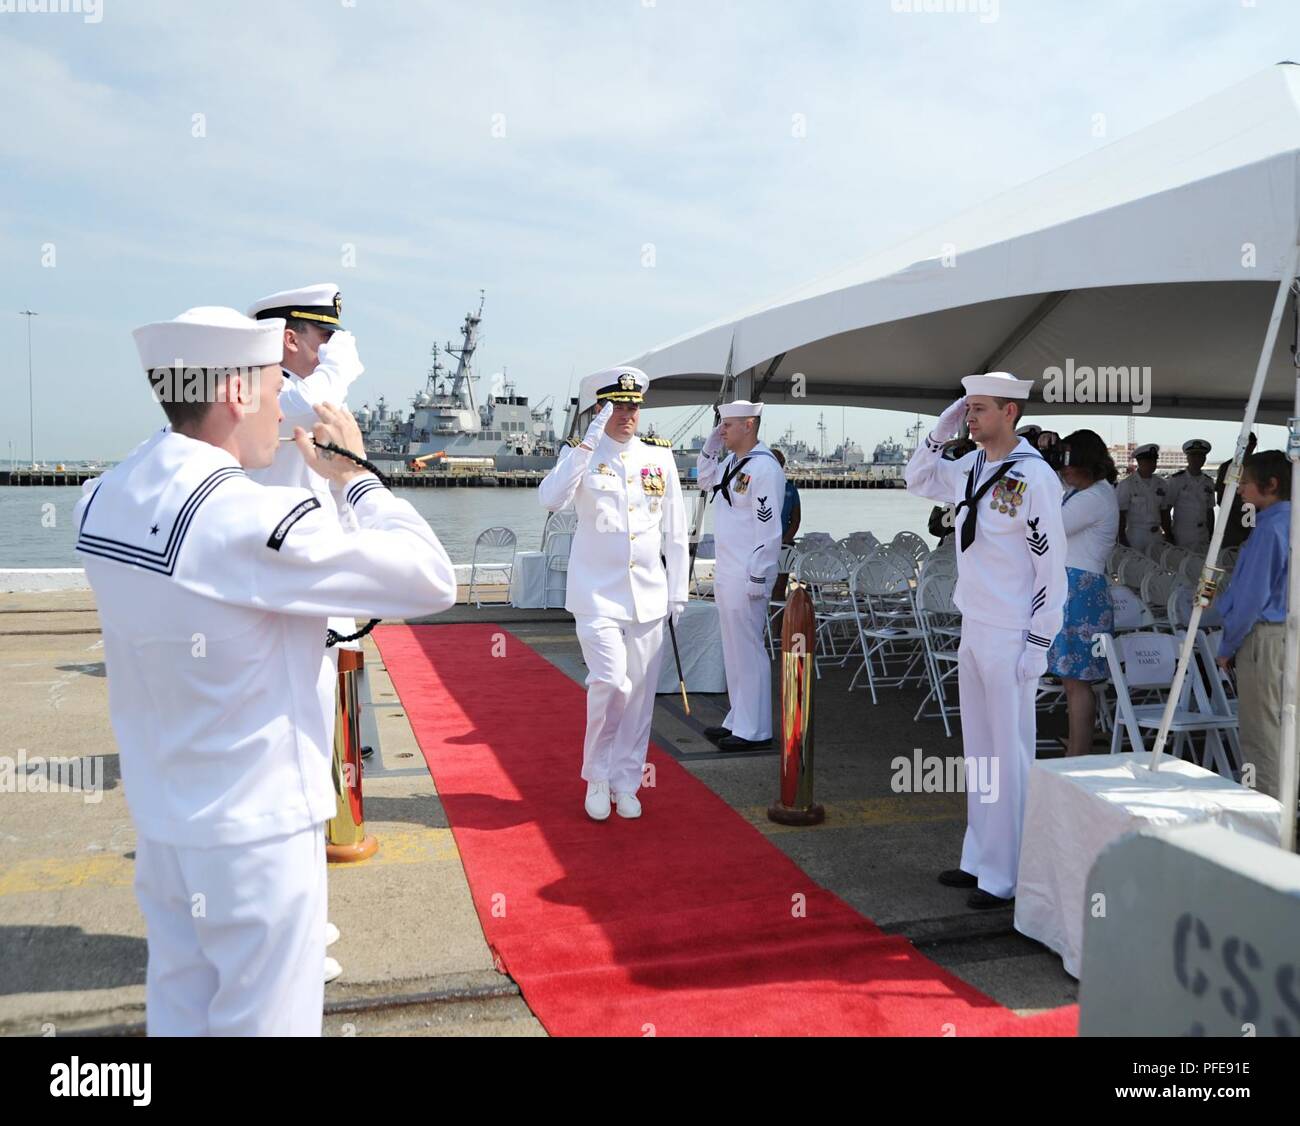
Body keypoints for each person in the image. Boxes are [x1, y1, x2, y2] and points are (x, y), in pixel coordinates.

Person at [75, 307, 458, 1035]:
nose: (283, 416)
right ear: (235, 394)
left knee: (181, 1014)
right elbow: (429, 578)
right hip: (256, 837)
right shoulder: (249, 519)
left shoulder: (101, 498)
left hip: (164, 826)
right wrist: (357, 480)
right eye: (272, 386)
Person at [904, 372, 1067, 909]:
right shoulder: (973, 466)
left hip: (1012, 631)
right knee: (979, 752)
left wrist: (1040, 642)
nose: (971, 417)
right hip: (973, 623)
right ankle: (980, 858)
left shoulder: (1034, 477)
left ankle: (1010, 873)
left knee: (1009, 752)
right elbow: (917, 479)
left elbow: (1051, 569)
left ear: (1010, 412)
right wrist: (940, 430)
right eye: (966, 409)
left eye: (979, 409)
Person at [247, 283, 361, 986]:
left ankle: (300, 917)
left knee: (310, 762)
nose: (328, 349)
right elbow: (324, 397)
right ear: (289, 339)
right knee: (290, 767)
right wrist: (335, 366)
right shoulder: (277, 394)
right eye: (318, 337)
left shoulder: (291, 386)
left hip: (308, 601)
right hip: (284, 601)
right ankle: (288, 934)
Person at [537, 367, 689, 821]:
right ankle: (597, 776)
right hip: (597, 595)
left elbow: (676, 531)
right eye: (618, 406)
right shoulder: (582, 455)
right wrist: (586, 444)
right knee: (610, 683)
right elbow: (549, 499)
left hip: (647, 594)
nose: (628, 414)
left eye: (633, 406)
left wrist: (677, 594)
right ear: (601, 409)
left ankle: (627, 780)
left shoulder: (658, 458)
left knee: (640, 694)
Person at [696, 401, 787, 753]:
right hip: (728, 569)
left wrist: (759, 576)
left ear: (749, 425)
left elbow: (769, 530)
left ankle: (755, 729)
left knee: (749, 650)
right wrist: (711, 444)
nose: (724, 431)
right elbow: (704, 478)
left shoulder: (764, 469)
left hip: (747, 573)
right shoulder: (733, 463)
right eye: (721, 425)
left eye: (728, 425)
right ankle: (738, 718)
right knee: (733, 650)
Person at [1214, 450, 1296, 803]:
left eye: (1246, 482)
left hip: (1265, 640)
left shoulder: (1270, 530)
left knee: (1262, 737)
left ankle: (1269, 829)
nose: (1241, 489)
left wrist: (1226, 647)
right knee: (1287, 735)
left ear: (1271, 485)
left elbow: (1250, 598)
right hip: (1288, 637)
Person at [1040, 430, 1119, 757]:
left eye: (1068, 460)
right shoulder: (1081, 492)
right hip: (1074, 589)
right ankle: (1078, 748)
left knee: (1077, 681)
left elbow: (1047, 525)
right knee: (1071, 679)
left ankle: (1078, 755)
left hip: (1080, 592)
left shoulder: (1095, 498)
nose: (1063, 468)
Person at [1115, 443, 1172, 551]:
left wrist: (1168, 534)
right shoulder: (1127, 484)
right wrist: (1121, 538)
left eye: (1154, 461)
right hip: (1136, 536)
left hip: (1157, 536)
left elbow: (1164, 512)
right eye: (1148, 461)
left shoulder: (1162, 484)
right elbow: (1120, 514)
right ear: (1139, 462)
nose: (1152, 464)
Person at [1166, 438, 1217, 549]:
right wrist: (1169, 535)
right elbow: (1166, 509)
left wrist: (1211, 534)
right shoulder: (1176, 480)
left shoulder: (1208, 482)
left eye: (1200, 456)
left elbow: (1210, 510)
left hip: (1203, 534)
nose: (1197, 459)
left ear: (1204, 459)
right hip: (1182, 535)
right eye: (1193, 456)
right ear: (1188, 458)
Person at [1216, 432, 1257, 548]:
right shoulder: (1228, 467)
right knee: (1229, 555)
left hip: (1254, 518)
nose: (1248, 447)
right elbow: (1220, 499)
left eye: (1251, 444)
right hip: (1232, 520)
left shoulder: (1259, 467)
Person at [770, 447, 800, 602]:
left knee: (779, 588)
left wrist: (785, 539)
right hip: (758, 545)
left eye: (780, 463)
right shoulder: (749, 479)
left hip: (783, 545)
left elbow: (796, 520)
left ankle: (777, 626)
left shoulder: (790, 489)